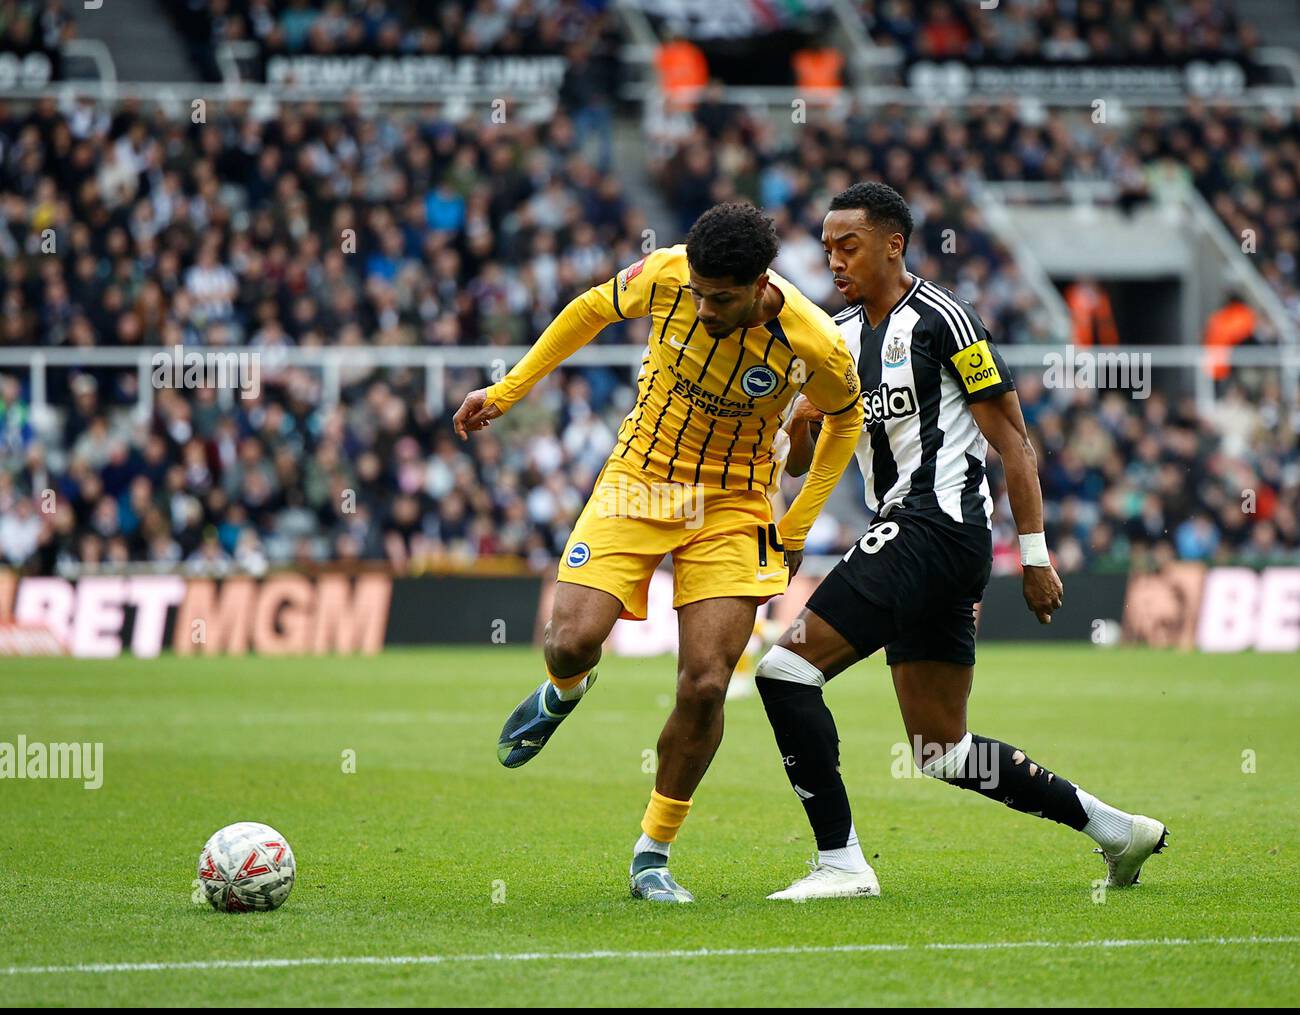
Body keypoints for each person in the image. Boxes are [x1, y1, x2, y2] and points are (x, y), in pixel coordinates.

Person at [756, 182, 1167, 901]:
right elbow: (801, 458)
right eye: (826, 248)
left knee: (785, 673)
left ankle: (841, 864)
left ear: (894, 242)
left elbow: (1013, 439)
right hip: (920, 539)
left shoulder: (944, 319)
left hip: (935, 524)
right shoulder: (835, 335)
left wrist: (1034, 558)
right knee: (942, 749)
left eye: (847, 245)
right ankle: (1117, 830)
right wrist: (798, 428)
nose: (834, 260)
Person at [453, 203, 864, 902]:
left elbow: (845, 419)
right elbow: (588, 309)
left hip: (733, 504)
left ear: (761, 283)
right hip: (640, 481)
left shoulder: (814, 343)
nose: (703, 308)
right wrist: (509, 389)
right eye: (698, 293)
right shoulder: (668, 272)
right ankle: (565, 689)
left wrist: (795, 528)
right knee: (569, 642)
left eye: (721, 299)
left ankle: (653, 853)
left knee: (706, 684)